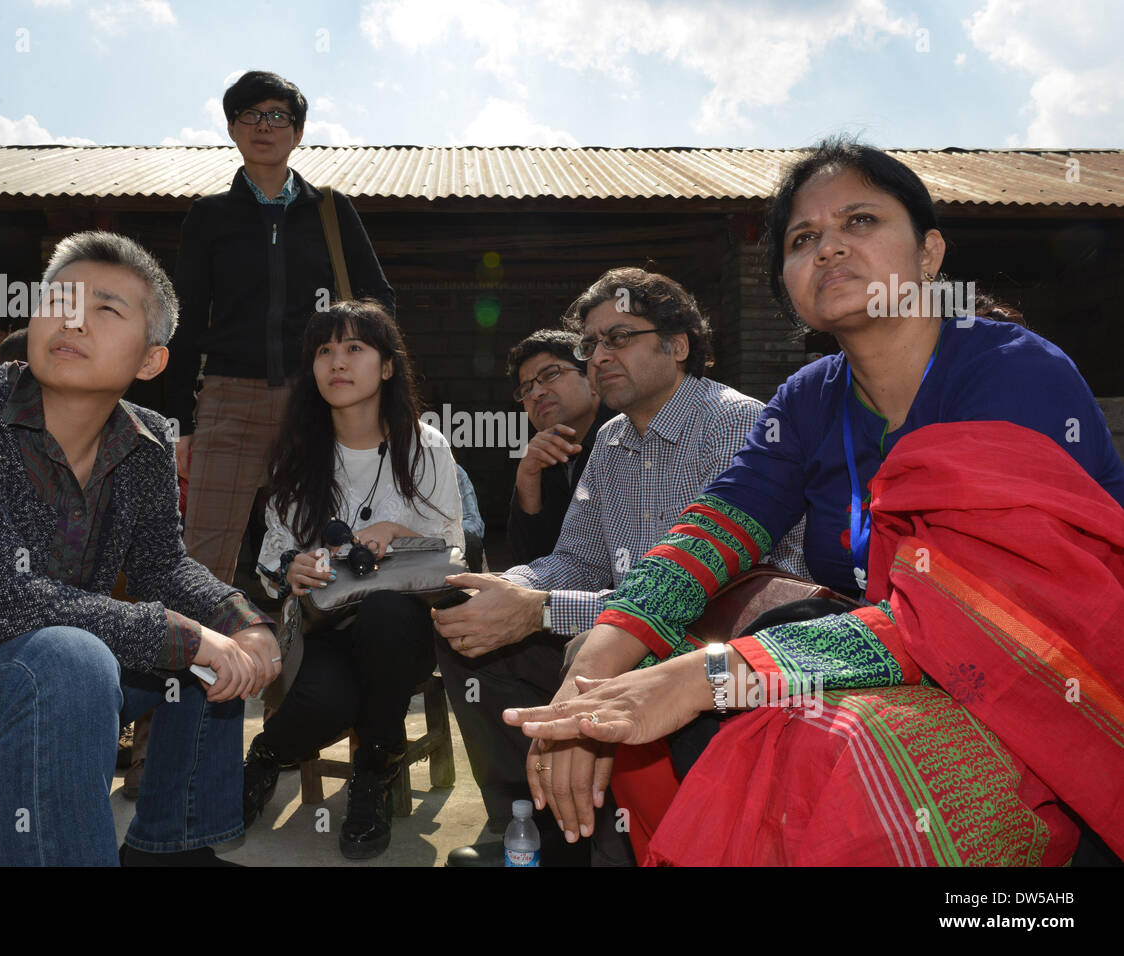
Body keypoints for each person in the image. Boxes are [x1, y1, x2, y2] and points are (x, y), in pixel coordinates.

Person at [505, 139, 1124, 867]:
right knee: (649, 687)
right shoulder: (809, 398)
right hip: (886, 660)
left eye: (860, 221)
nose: (830, 248)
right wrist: (592, 677)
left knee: (824, 746)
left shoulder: (1011, 372)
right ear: (788, 284)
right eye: (804, 239)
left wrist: (708, 676)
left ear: (928, 253)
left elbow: (968, 613)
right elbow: (712, 531)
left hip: (1039, 677)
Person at [0, 232, 282, 866]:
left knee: (200, 669)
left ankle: (175, 850)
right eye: (59, 300)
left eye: (106, 309)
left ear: (150, 361)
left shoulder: (145, 444)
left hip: (11, 704)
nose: (72, 319)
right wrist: (190, 635)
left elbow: (163, 567)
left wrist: (244, 624)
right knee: (69, 660)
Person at [434, 269, 808, 866]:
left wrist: (541, 610)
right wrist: (505, 588)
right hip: (622, 628)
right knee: (470, 634)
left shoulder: (737, 425)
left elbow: (715, 595)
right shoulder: (608, 441)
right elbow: (575, 559)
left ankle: (616, 846)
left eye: (620, 337)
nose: (600, 356)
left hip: (720, 646)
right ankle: (533, 827)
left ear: (677, 345)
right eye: (591, 345)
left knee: (587, 648)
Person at [243, 299, 462, 861]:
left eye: (354, 348)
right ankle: (267, 757)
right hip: (324, 624)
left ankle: (373, 769)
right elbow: (271, 561)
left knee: (388, 612)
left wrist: (399, 532)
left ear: (387, 366)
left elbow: (454, 554)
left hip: (403, 631)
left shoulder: (426, 446)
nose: (337, 362)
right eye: (324, 351)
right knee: (328, 702)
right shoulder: (297, 454)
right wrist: (289, 567)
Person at [167, 69, 394, 588]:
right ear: (232, 128)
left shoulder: (332, 212)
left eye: (277, 116)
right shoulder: (209, 216)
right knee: (205, 552)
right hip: (227, 400)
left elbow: (379, 298)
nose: (263, 126)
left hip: (316, 399)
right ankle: (206, 662)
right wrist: (179, 423)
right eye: (250, 115)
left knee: (327, 540)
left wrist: (357, 364)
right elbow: (183, 316)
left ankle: (319, 656)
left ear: (298, 131)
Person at [505, 329, 611, 566]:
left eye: (551, 374)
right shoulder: (544, 456)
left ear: (593, 380)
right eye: (526, 389)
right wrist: (527, 477)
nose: (537, 393)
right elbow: (529, 564)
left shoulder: (626, 438)